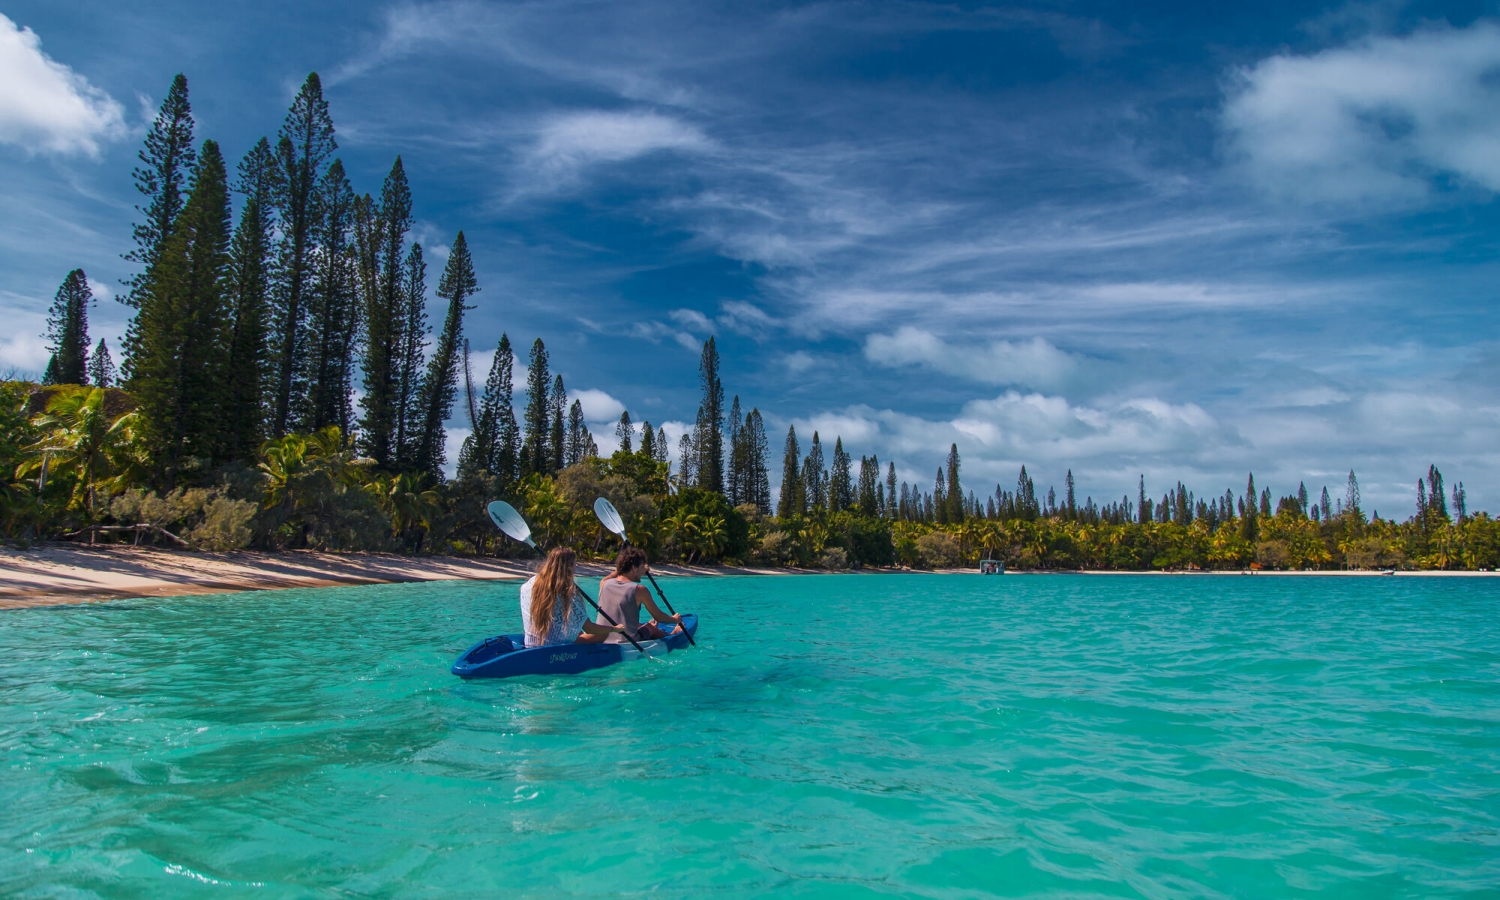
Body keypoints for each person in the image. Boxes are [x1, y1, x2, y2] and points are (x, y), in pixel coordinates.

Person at [520, 548, 624, 648]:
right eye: (575, 563)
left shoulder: (530, 584)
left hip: (530, 643)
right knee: (602, 634)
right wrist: (614, 628)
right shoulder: (567, 592)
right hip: (555, 646)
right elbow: (589, 628)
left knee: (577, 629)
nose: (576, 566)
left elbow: (522, 590)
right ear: (569, 567)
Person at [597, 547, 683, 644]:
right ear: (633, 568)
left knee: (638, 624)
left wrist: (625, 566)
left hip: (601, 639)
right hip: (627, 641)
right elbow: (659, 617)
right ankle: (674, 634)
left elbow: (607, 577)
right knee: (650, 628)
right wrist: (674, 619)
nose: (643, 572)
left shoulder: (604, 584)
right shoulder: (640, 590)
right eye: (642, 568)